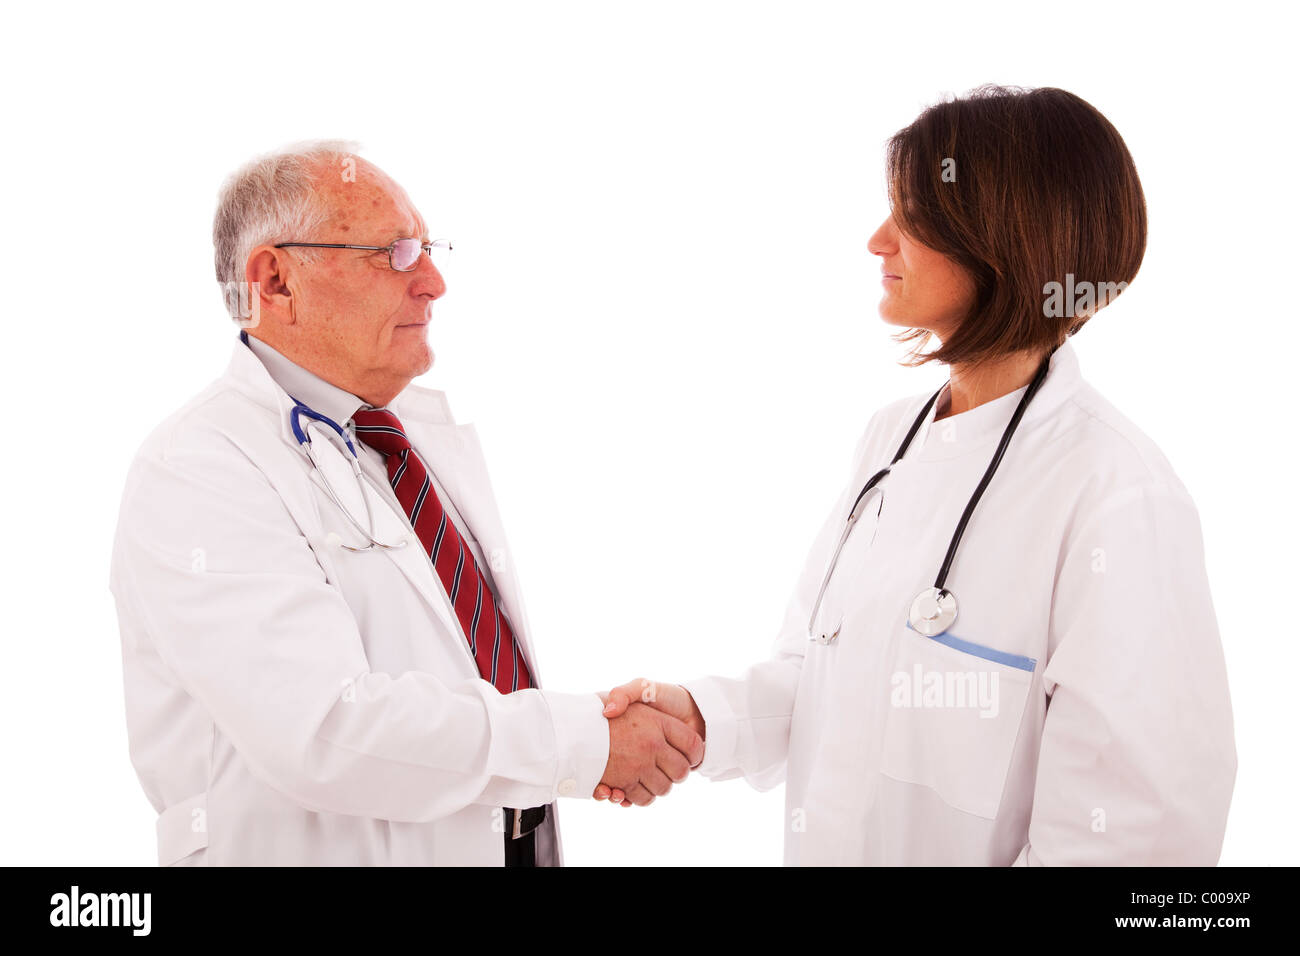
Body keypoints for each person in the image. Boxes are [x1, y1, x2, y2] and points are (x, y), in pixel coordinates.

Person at [597, 86, 1237, 865]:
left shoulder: (1116, 493)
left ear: (1006, 239)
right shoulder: (891, 439)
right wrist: (700, 720)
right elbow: (820, 679)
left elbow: (1138, 837)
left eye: (911, 216)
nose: (877, 240)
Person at [108, 140, 702, 867]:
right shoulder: (198, 469)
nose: (433, 282)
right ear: (276, 280)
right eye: (394, 253)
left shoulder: (405, 442)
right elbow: (325, 732)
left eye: (427, 249)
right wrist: (589, 740)